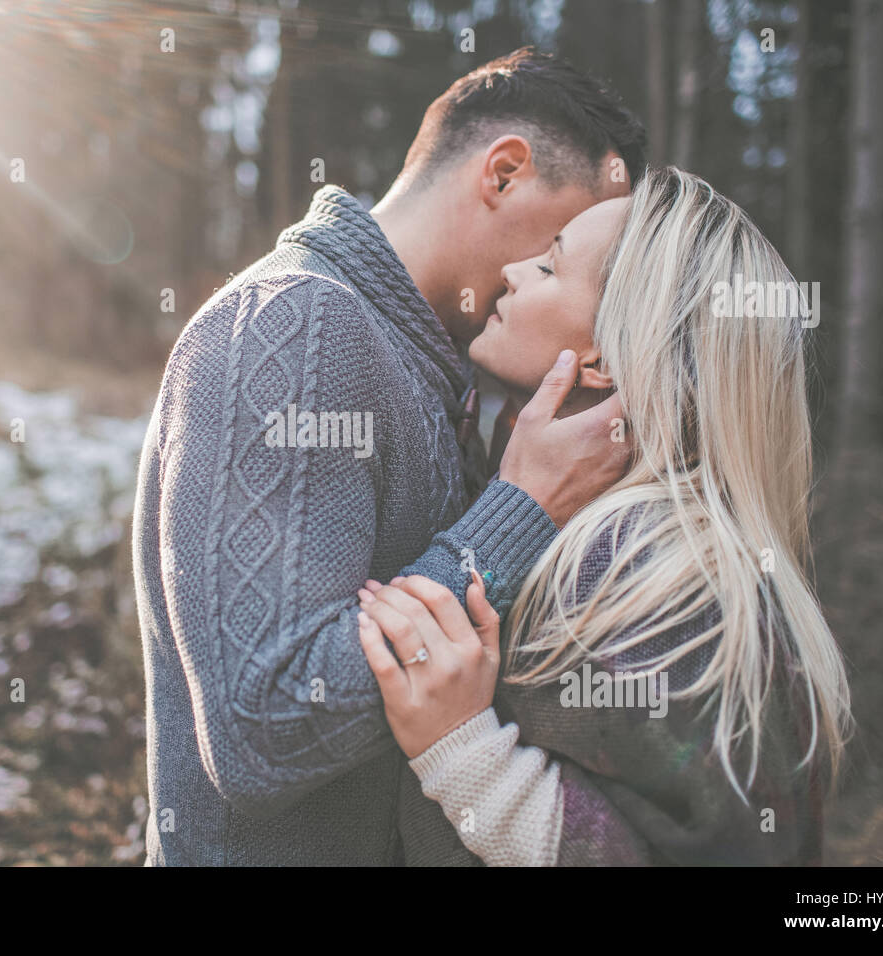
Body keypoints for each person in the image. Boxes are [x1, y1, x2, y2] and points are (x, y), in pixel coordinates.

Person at [132, 48, 646, 865]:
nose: (546, 279)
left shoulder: (427, 363)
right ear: (504, 172)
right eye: (562, 242)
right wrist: (522, 510)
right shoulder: (299, 325)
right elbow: (266, 727)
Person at [357, 166, 854, 865]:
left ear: (600, 358)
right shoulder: (603, 530)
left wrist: (464, 752)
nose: (511, 269)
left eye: (549, 264)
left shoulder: (648, 569)